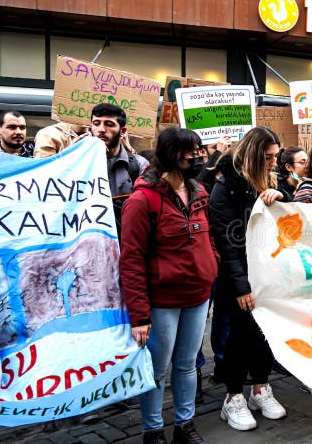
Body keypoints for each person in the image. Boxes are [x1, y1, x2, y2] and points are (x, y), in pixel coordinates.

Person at [120, 127, 218, 444]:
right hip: (162, 301)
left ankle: (184, 426)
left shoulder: (199, 192)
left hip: (198, 296)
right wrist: (139, 315)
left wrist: (210, 264)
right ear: (175, 156)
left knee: (187, 365)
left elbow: (209, 238)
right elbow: (131, 260)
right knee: (158, 370)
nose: (200, 157)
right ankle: (153, 431)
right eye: (194, 152)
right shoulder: (141, 201)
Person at [209, 126, 288, 431]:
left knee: (264, 334)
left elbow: (291, 209)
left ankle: (260, 387)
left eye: (276, 156)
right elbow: (226, 243)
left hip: (269, 273)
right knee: (238, 338)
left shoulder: (270, 180)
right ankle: (232, 398)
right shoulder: (225, 187)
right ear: (255, 154)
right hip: (238, 277)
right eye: (268, 156)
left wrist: (281, 194)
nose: (273, 162)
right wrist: (241, 285)